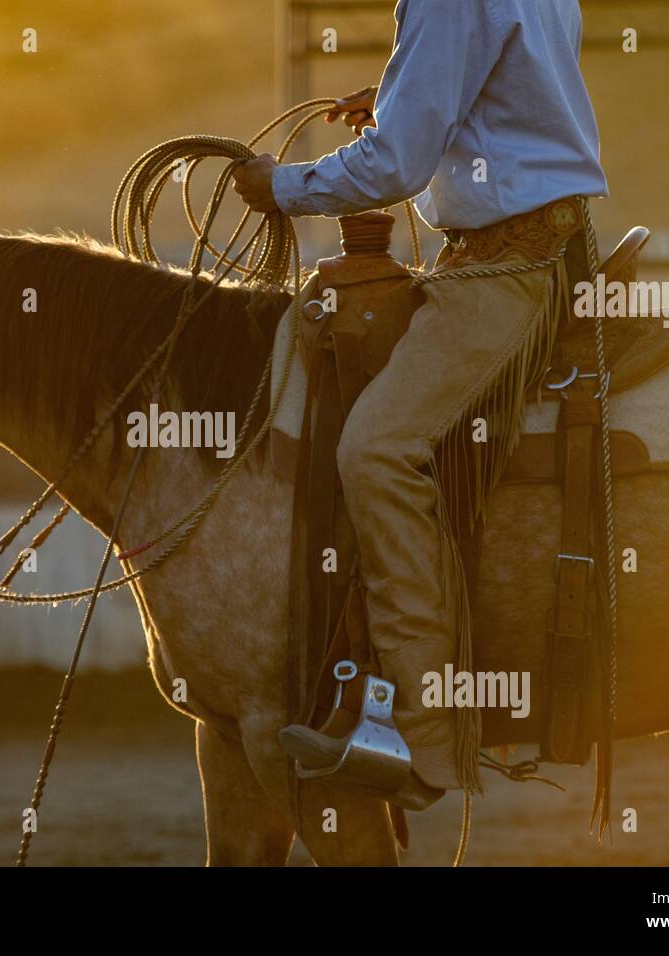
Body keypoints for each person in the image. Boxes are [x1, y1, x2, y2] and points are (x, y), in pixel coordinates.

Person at [232, 0, 608, 808]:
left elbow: (395, 169)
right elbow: (520, 84)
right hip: (546, 242)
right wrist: (408, 90)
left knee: (374, 450)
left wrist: (281, 188)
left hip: (507, 266)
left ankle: (426, 735)